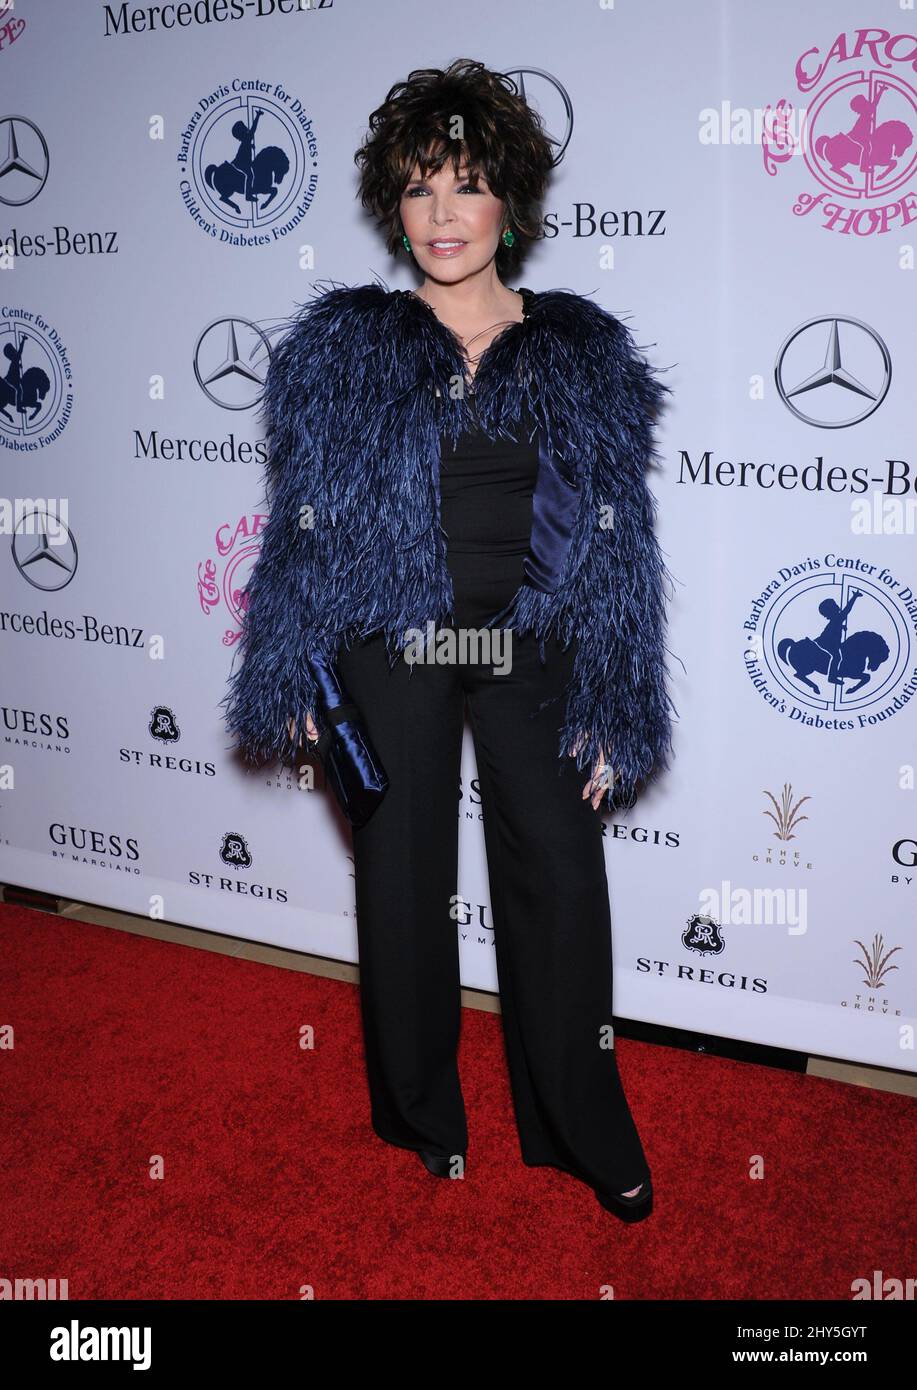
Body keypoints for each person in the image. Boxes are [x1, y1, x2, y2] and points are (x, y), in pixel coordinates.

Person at [222, 58, 678, 1223]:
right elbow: (302, 525)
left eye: (466, 186)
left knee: (560, 876)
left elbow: (622, 540)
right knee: (403, 871)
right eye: (420, 188)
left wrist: (621, 691)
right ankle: (423, 1111)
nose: (440, 214)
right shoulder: (345, 350)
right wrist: (287, 658)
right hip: (391, 640)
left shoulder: (579, 348)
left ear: (508, 204)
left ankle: (581, 1122)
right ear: (394, 203)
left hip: (532, 641)